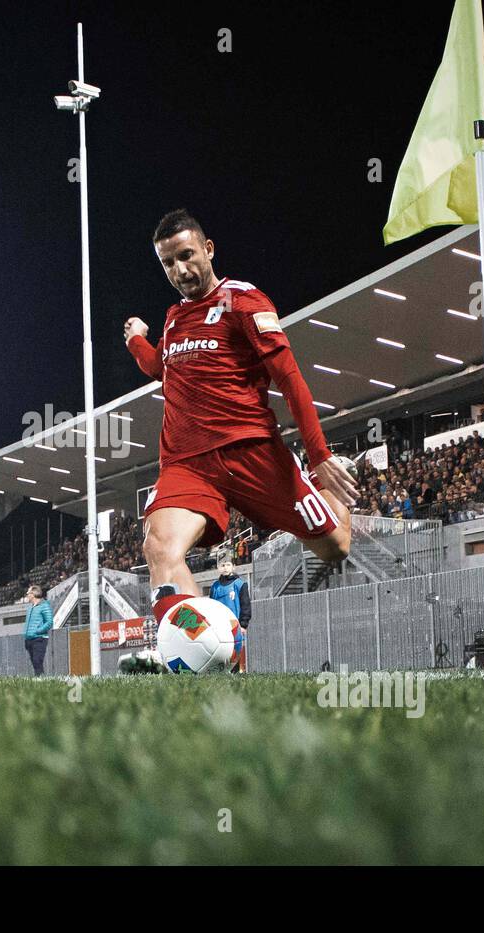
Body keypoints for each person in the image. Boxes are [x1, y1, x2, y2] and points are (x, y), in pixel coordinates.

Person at [123, 209, 355, 625]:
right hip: (186, 463)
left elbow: (288, 377)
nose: (180, 270)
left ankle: (319, 482)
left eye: (187, 255)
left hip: (252, 453)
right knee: (159, 548)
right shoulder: (174, 319)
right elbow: (162, 366)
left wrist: (319, 453)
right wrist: (138, 340)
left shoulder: (243, 300)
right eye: (168, 263)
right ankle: (204, 652)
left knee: (335, 546)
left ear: (208, 249)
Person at [208, 555, 251, 673]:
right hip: (218, 625)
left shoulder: (240, 584)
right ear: (218, 568)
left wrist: (243, 624)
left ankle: (236, 673)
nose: (225, 568)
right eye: (222, 565)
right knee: (219, 649)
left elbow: (245, 605)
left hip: (234, 624)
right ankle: (219, 673)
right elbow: (210, 606)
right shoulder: (215, 587)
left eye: (228, 565)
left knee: (234, 650)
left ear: (234, 567)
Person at [22, 584, 53, 676]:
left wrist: (38, 631)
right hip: (29, 639)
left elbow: (49, 622)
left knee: (37, 660)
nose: (27, 595)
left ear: (33, 594)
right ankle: (39, 678)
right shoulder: (30, 607)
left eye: (28, 593)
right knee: (35, 663)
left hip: (39, 638)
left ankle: (40, 678)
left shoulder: (44, 606)